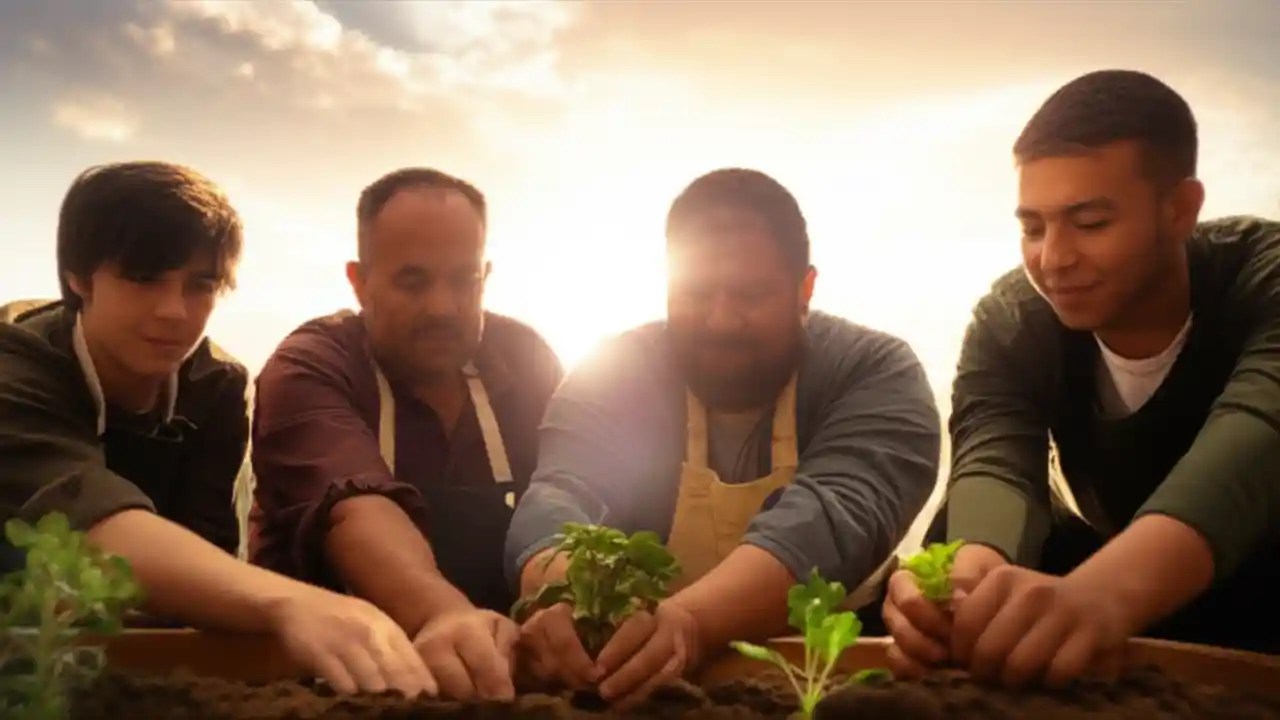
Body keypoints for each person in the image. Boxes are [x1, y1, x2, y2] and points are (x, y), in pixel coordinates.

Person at [883, 69, 1280, 690]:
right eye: (1033, 227)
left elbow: (1258, 438)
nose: (1053, 258)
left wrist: (1102, 594)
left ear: (1180, 210)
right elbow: (996, 460)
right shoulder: (1012, 319)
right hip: (1127, 596)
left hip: (1254, 587)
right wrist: (966, 582)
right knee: (956, 550)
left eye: (1090, 223)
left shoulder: (1264, 277)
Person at [506, 168, 941, 707]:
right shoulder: (613, 373)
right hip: (639, 677)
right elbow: (559, 495)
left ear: (804, 288)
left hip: (837, 670)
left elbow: (834, 511)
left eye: (751, 295)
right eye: (696, 293)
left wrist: (689, 624)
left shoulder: (874, 371)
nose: (720, 320)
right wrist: (565, 597)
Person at [0, 161, 433, 697]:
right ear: (78, 278)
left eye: (200, 285)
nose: (173, 311)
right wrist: (293, 603)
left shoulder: (216, 386)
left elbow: (202, 560)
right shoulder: (14, 368)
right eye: (142, 278)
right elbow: (87, 516)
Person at [249, 168, 564, 701]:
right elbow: (356, 505)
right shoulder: (311, 365)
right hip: (328, 687)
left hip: (504, 681)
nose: (442, 307)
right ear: (359, 281)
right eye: (413, 282)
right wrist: (444, 615)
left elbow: (565, 501)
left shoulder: (526, 359)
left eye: (465, 280)